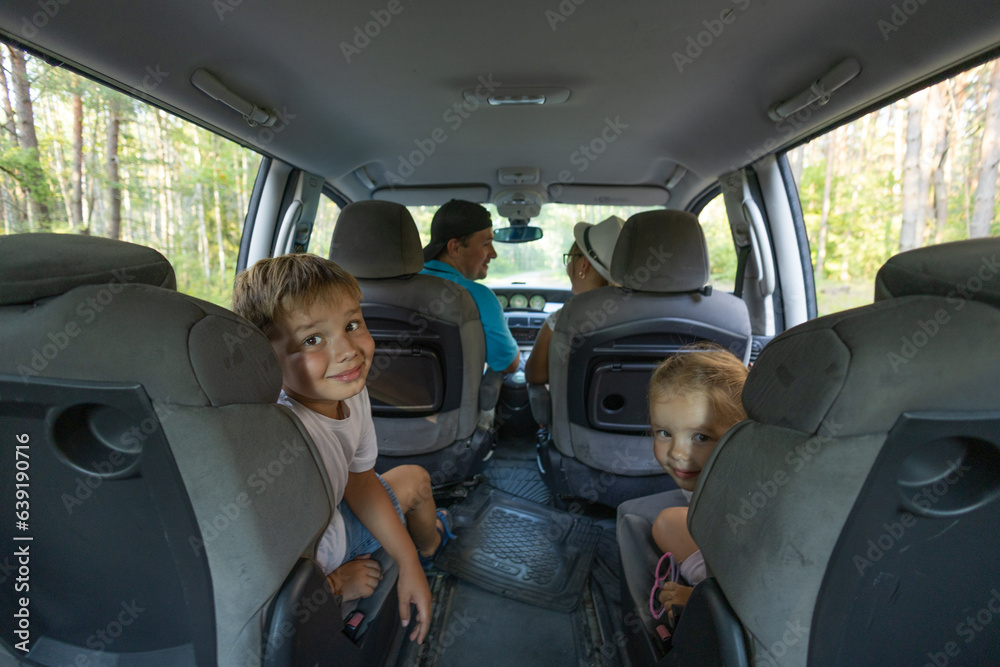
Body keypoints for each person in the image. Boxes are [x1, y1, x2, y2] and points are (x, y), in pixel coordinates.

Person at [232, 253, 453, 645]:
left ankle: (428, 549)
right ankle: (435, 540)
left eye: (352, 324)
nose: (348, 350)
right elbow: (255, 569)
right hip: (312, 566)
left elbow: (361, 482)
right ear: (265, 358)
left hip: (331, 527)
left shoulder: (351, 392)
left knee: (414, 479)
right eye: (313, 339)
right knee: (416, 483)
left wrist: (408, 563)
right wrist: (333, 585)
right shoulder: (284, 437)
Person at [646, 344, 748, 620]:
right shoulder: (718, 473)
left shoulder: (750, 495)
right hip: (724, 545)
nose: (677, 453)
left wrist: (700, 598)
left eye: (701, 437)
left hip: (748, 584)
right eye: (664, 432)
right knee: (666, 522)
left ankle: (712, 594)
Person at [421, 199, 519, 373]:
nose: (494, 254)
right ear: (455, 247)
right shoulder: (477, 296)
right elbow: (508, 364)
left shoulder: (396, 286)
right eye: (486, 244)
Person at [524, 215, 624, 385]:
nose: (568, 265)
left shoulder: (564, 318)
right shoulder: (652, 314)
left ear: (583, 265)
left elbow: (534, 376)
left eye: (570, 258)